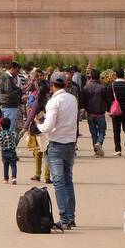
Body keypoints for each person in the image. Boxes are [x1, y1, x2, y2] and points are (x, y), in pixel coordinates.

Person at [36, 75, 80, 230]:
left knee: (59, 182)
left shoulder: (54, 101)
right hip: (70, 143)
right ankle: (71, 217)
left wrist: (38, 126)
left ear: (52, 85)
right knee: (68, 180)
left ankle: (64, 218)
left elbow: (48, 126)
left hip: (56, 144)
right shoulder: (72, 99)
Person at [106, 69, 125, 157]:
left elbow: (109, 100)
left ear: (116, 75)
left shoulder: (111, 85)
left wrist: (109, 110)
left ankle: (118, 150)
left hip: (115, 111)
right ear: (123, 75)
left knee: (116, 130)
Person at [82, 69, 109, 156]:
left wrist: (85, 109)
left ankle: (96, 150)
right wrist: (109, 109)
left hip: (90, 113)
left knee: (93, 133)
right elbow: (107, 100)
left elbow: (83, 101)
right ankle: (99, 142)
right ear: (99, 77)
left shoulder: (86, 88)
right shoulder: (103, 88)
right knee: (102, 131)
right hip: (100, 113)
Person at [0, 116, 20, 184]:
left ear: (1, 126)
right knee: (13, 165)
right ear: (10, 125)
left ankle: (6, 179)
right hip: (12, 152)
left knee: (5, 165)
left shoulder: (0, 134)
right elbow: (15, 140)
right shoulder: (13, 133)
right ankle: (14, 178)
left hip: (4, 152)